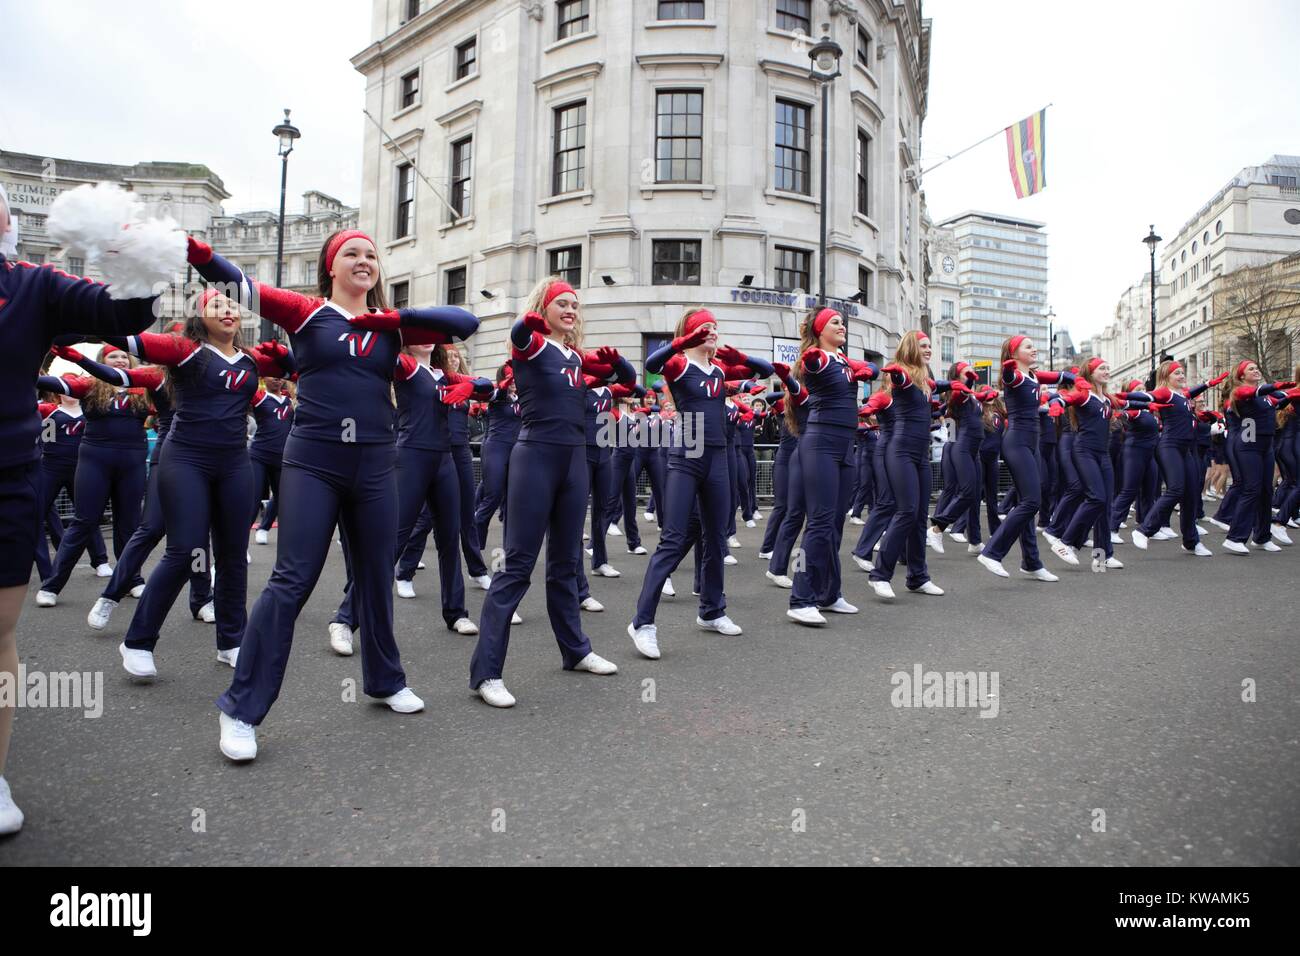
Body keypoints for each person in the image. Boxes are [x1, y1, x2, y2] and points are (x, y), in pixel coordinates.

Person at [186, 229, 478, 760]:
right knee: (291, 579)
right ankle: (241, 708)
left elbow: (465, 323)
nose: (364, 260)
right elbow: (241, 285)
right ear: (331, 267)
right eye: (352, 253)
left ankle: (385, 679)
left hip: (375, 464)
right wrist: (203, 256)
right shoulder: (306, 313)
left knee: (375, 574)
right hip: (314, 461)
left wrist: (391, 321)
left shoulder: (393, 326)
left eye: (371, 254)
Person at [0, 178, 164, 832]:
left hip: (7, 474)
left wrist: (123, 241)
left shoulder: (31, 286)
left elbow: (129, 313)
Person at [468, 279, 621, 707]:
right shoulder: (532, 346)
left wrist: (618, 369)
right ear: (543, 308)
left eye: (575, 304)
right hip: (534, 458)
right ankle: (486, 673)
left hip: (575, 461)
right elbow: (518, 338)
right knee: (517, 563)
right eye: (562, 303)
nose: (571, 309)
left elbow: (621, 379)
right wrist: (525, 321)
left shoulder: (575, 356)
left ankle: (576, 650)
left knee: (566, 561)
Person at [627, 309, 772, 658]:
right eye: (705, 328)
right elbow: (652, 364)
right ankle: (642, 622)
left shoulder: (719, 369)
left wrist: (740, 357)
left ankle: (711, 610)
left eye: (714, 329)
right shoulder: (679, 364)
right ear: (691, 334)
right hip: (686, 454)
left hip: (718, 456)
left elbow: (764, 371)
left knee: (715, 537)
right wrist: (684, 341)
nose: (712, 333)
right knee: (673, 539)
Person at [35, 344, 152, 606]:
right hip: (94, 461)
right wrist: (44, 355)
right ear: (102, 361)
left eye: (125, 356)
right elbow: (47, 381)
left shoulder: (144, 388)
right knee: (84, 521)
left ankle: (131, 579)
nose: (121, 360)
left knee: (129, 524)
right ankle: (52, 585)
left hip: (132, 463)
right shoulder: (88, 385)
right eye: (113, 356)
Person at [787, 308, 879, 622]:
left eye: (842, 322)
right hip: (820, 443)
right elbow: (810, 361)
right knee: (819, 523)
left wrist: (854, 363)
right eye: (835, 322)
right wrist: (851, 363)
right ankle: (800, 599)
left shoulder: (842, 360)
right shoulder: (818, 357)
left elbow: (873, 369)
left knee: (835, 525)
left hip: (845, 447)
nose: (842, 325)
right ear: (820, 328)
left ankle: (829, 594)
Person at [976, 335, 1072, 581]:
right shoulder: (1015, 377)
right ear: (1014, 352)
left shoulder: (1033, 376)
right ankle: (992, 552)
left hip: (1032, 443)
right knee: (1031, 501)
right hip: (1017, 442)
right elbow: (1011, 377)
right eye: (1028, 347)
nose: (1035, 349)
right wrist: (1008, 367)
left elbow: (1052, 377)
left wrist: (1068, 378)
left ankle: (1031, 562)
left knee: (1027, 500)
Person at [1127, 361, 1229, 555]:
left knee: (1191, 494)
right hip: (1169, 447)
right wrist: (1121, 399)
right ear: (1166, 377)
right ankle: (1144, 529)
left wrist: (1209, 384)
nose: (1182, 376)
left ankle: (1191, 541)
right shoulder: (1165, 392)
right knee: (1175, 489)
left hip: (1185, 450)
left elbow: (1193, 395)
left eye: (1183, 373)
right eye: (1177, 374)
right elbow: (1143, 396)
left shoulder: (1183, 395)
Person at [1220, 361, 1297, 554]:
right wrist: (1276, 386)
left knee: (1266, 491)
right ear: (1241, 375)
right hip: (1248, 445)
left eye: (1257, 368)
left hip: (1265, 445)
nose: (1256, 371)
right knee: (1251, 489)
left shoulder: (1264, 396)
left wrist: (1288, 391)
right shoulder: (1240, 393)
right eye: (1251, 369)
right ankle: (1235, 537)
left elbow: (1288, 395)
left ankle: (1262, 537)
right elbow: (1252, 393)